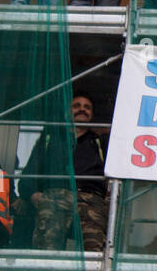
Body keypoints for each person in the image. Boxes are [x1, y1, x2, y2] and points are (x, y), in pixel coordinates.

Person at [16, 93, 109, 251]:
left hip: (90, 200)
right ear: (66, 113)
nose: (82, 110)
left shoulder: (99, 142)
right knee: (47, 248)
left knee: (95, 251)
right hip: (54, 197)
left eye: (87, 107)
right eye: (76, 106)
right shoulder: (51, 138)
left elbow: (113, 175)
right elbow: (30, 172)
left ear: (92, 115)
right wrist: (32, 194)